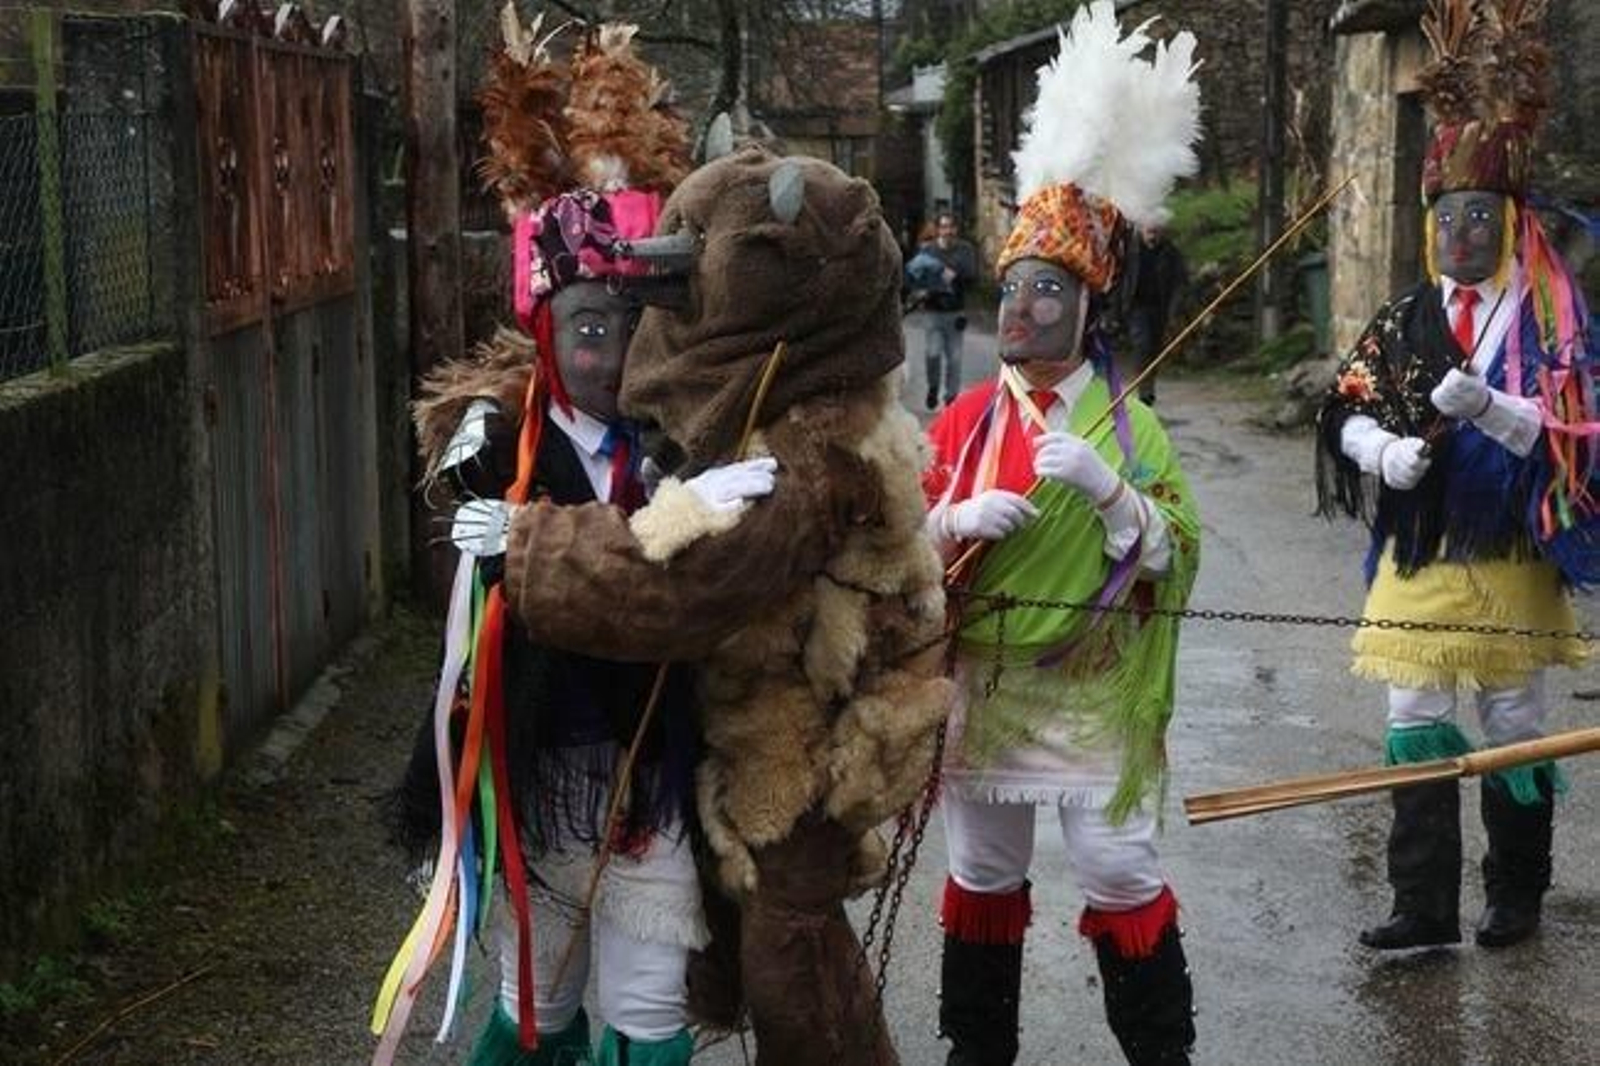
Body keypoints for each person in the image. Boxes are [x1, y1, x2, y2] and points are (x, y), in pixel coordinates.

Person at [375, 21, 769, 1066]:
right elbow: (533, 561)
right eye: (589, 326)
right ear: (545, 329)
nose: (613, 352)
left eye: (634, 325)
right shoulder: (495, 442)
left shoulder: (686, 442)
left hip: (656, 773)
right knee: (538, 996)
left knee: (648, 1008)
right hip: (537, 774)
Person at [922, 6, 1202, 1063]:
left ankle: (1161, 1055)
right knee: (983, 874)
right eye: (1012, 289)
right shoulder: (957, 422)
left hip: (1091, 687)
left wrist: (1114, 496)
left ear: (1089, 309)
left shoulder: (1133, 431)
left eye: (1047, 289)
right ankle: (975, 1050)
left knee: (1121, 869)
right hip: (983, 690)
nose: (1022, 309)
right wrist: (949, 514)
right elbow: (899, 542)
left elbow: (1175, 549)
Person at [1316, 0, 1597, 953]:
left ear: (1515, 219)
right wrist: (1379, 452)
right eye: (1446, 215)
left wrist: (1497, 412)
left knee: (1515, 717)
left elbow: (1578, 438)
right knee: (1413, 715)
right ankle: (1422, 903)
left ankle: (1515, 892)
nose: (1461, 231)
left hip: (1513, 548)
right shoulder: (1403, 319)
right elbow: (1347, 404)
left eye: (1480, 214)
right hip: (1421, 548)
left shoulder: (1553, 321)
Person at [907, 211, 980, 409]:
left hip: (956, 312)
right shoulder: (928, 251)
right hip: (933, 312)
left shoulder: (965, 250)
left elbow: (972, 275)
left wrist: (954, 275)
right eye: (944, 227)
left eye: (951, 227)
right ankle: (933, 387)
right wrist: (922, 289)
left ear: (956, 229)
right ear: (938, 229)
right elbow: (914, 274)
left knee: (954, 359)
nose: (947, 231)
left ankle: (951, 398)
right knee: (933, 354)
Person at [1124, 223, 1188, 405]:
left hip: (1161, 308)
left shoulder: (1171, 252)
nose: (1153, 236)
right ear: (1142, 231)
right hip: (1137, 306)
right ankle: (1144, 389)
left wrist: (1175, 309)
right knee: (1142, 344)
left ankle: (1149, 384)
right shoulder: (1131, 252)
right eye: (1149, 231)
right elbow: (1121, 279)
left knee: (1154, 349)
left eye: (1156, 232)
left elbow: (1181, 282)